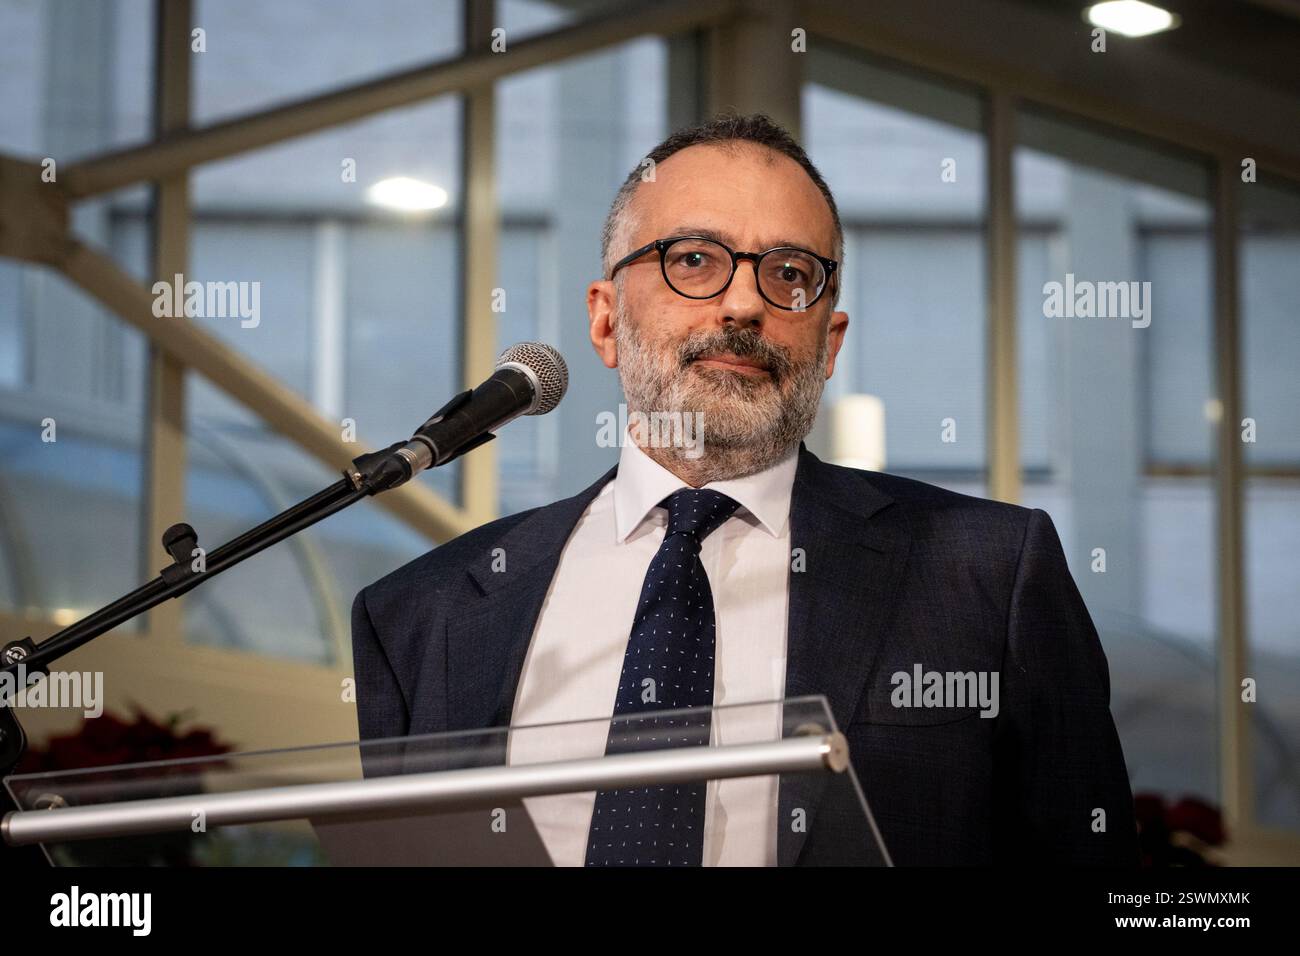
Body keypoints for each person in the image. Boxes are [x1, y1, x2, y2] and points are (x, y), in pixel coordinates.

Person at [351, 111, 1137, 867]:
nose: (744, 303)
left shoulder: (985, 574)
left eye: (790, 273)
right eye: (692, 258)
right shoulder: (426, 613)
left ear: (829, 342)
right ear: (605, 321)